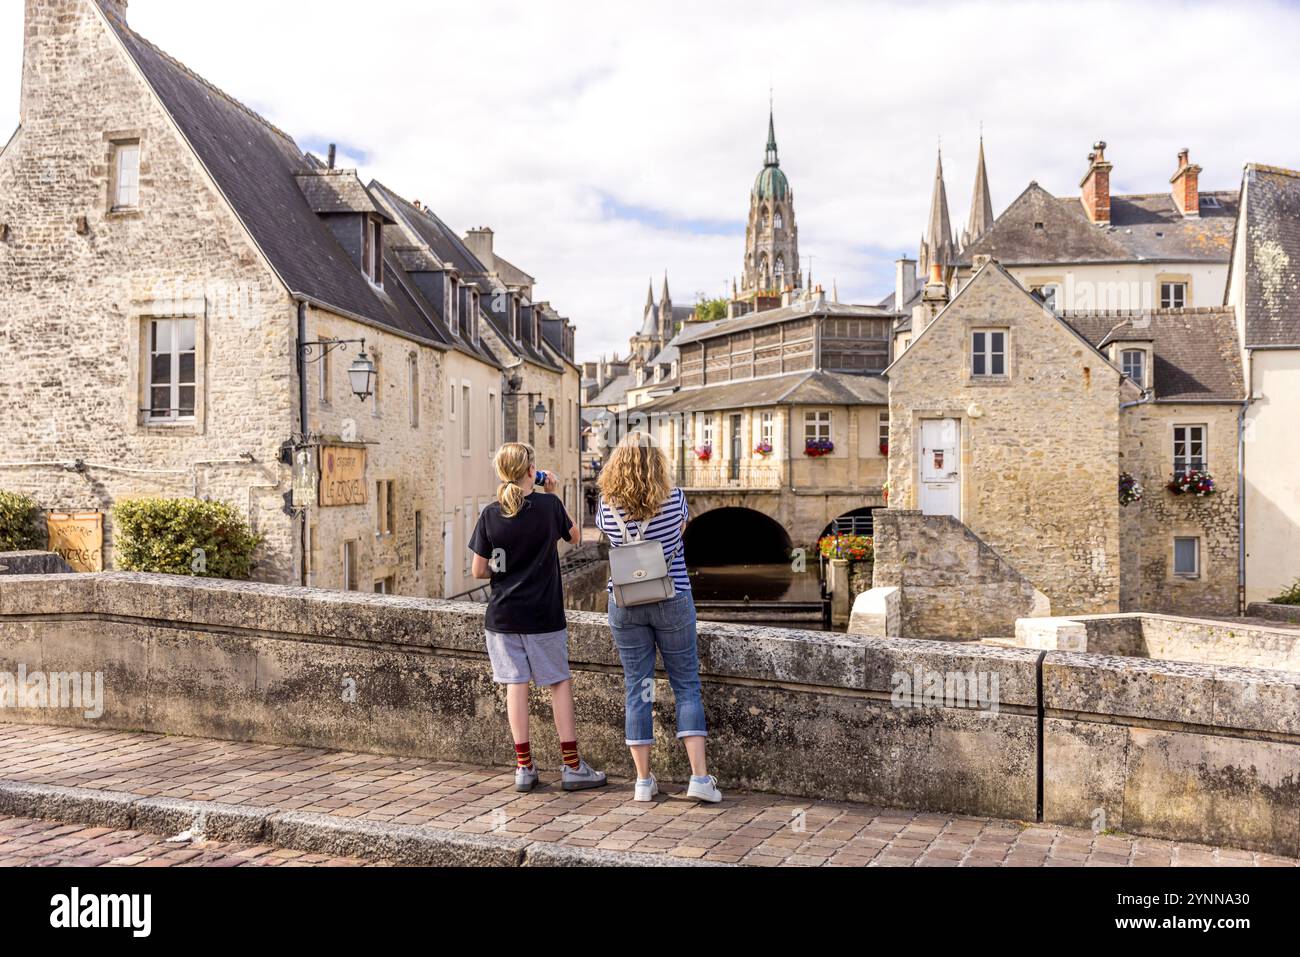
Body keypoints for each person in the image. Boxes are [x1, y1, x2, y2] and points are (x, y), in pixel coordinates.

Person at [470, 442, 606, 794]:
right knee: (558, 682)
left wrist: (508, 567)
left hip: (503, 615)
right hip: (544, 613)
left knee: (516, 685)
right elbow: (575, 537)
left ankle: (524, 767)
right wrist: (554, 493)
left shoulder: (489, 514)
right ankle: (572, 766)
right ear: (532, 471)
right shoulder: (548, 506)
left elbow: (478, 571)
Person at [596, 432, 722, 804]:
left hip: (625, 601)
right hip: (672, 596)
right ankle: (699, 778)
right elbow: (679, 535)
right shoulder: (676, 499)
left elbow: (611, 540)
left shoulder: (606, 506)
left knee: (638, 687)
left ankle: (643, 781)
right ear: (658, 464)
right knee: (686, 684)